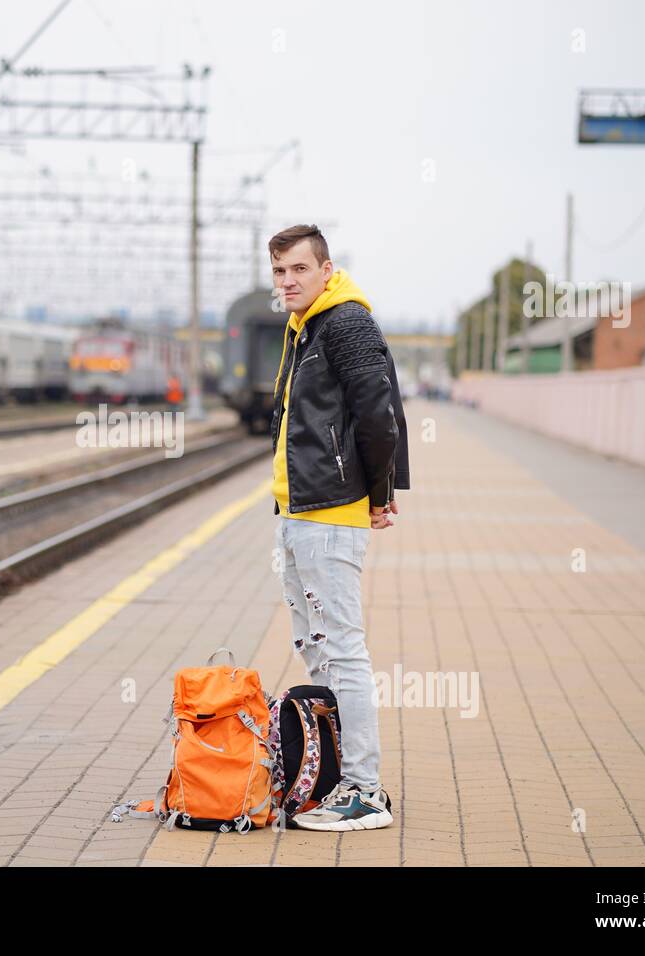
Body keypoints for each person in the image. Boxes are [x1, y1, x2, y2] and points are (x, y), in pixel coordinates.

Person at [267, 223, 409, 831]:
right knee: (317, 651)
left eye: (299, 268)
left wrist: (380, 492)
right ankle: (334, 776)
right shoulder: (304, 328)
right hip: (298, 513)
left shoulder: (345, 322)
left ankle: (366, 790)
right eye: (279, 272)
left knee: (343, 651)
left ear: (326, 269)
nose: (288, 281)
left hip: (330, 515)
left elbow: (381, 412)